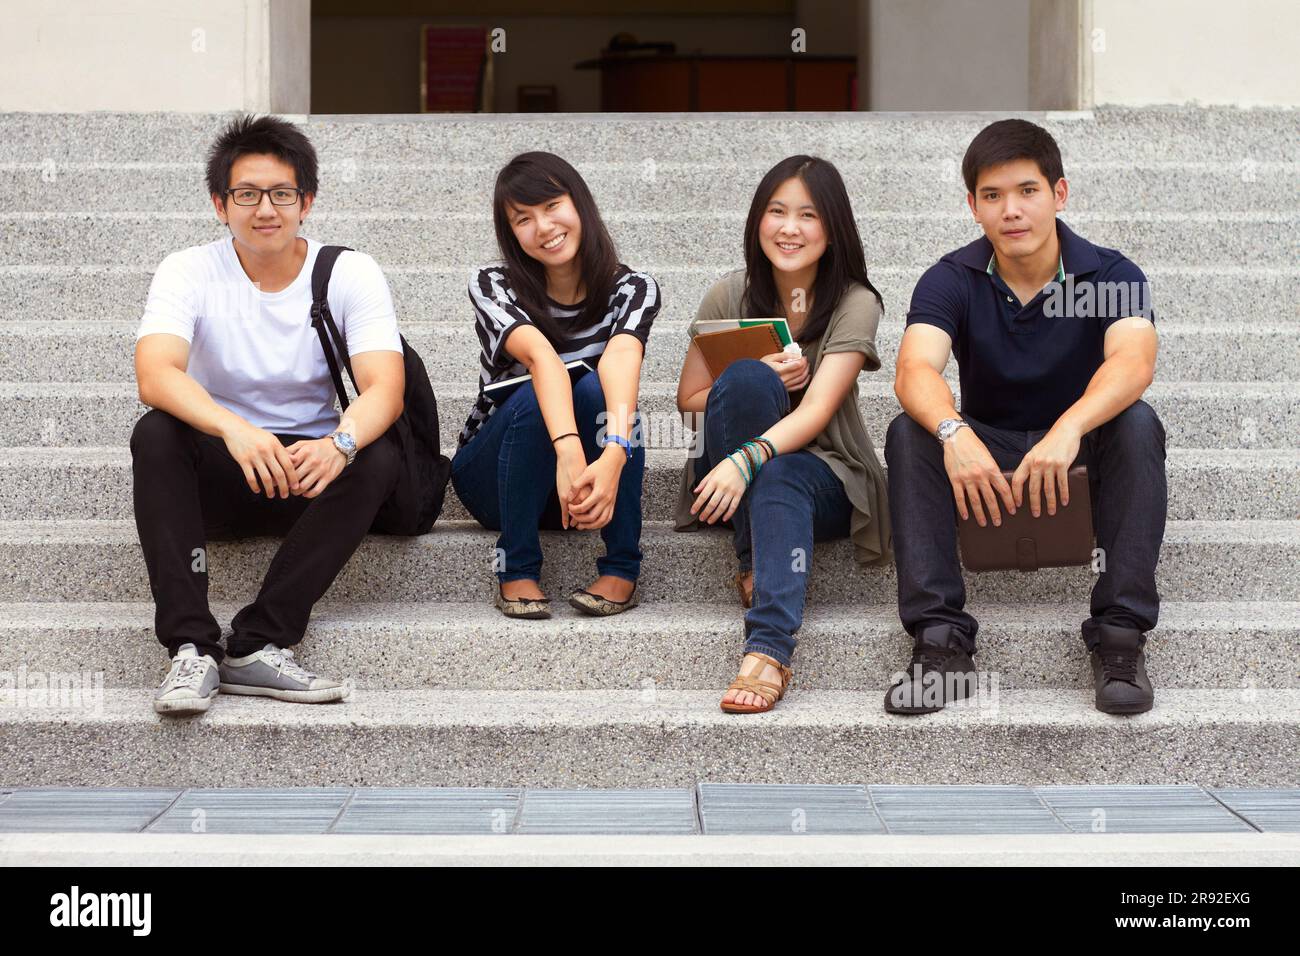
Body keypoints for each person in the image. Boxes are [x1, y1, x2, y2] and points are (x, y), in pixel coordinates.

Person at [886, 118, 1165, 716]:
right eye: (992, 196)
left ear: (1058, 194)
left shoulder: (1109, 274)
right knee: (910, 429)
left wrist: (1070, 427)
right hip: (990, 448)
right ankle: (941, 643)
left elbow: (1135, 361)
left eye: (1027, 191)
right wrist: (953, 431)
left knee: (1138, 421)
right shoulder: (951, 278)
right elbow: (913, 370)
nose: (1011, 210)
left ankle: (1119, 637)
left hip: (1079, 448)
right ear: (974, 207)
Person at [134, 115, 407, 716]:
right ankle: (190, 648)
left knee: (376, 450)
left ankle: (261, 641)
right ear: (219, 203)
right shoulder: (189, 270)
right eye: (247, 194)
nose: (266, 209)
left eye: (282, 193)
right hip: (226, 468)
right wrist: (233, 428)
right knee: (155, 432)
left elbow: (385, 388)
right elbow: (155, 375)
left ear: (306, 201)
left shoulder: (349, 272)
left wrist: (338, 443)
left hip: (308, 474)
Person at [674, 155, 891, 714]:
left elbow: (818, 410)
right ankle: (753, 560)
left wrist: (748, 458)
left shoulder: (854, 301)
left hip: (826, 475)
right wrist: (752, 380)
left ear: (833, 227)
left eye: (808, 215)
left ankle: (767, 648)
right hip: (732, 469)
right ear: (758, 220)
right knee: (746, 379)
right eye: (777, 211)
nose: (789, 228)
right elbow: (689, 401)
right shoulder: (730, 294)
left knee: (779, 472)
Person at [451, 152, 660, 619]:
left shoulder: (633, 289)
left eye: (551, 206)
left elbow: (623, 358)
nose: (543, 227)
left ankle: (622, 566)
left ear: (579, 204)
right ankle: (516, 567)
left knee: (602, 395)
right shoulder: (492, 283)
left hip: (586, 483)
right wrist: (568, 451)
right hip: (496, 476)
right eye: (523, 219)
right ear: (512, 234)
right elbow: (543, 358)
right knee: (537, 389)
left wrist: (613, 454)